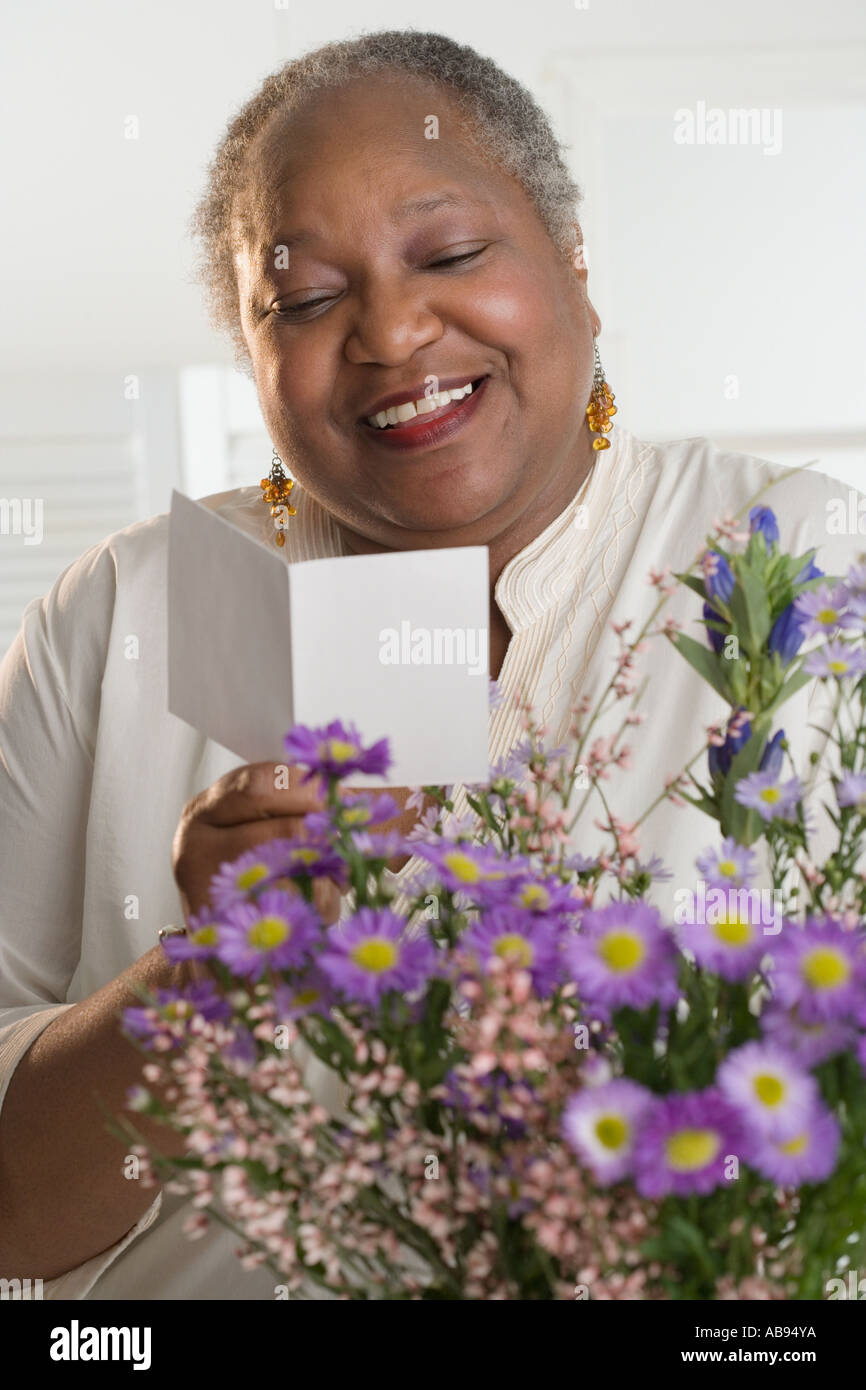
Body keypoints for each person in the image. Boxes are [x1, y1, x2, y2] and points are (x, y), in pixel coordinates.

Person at [0, 30, 861, 1300]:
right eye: (301, 299)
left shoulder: (798, 560)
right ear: (251, 350)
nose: (393, 333)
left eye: (450, 254)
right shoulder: (129, 608)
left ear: (572, 265)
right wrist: (211, 970)